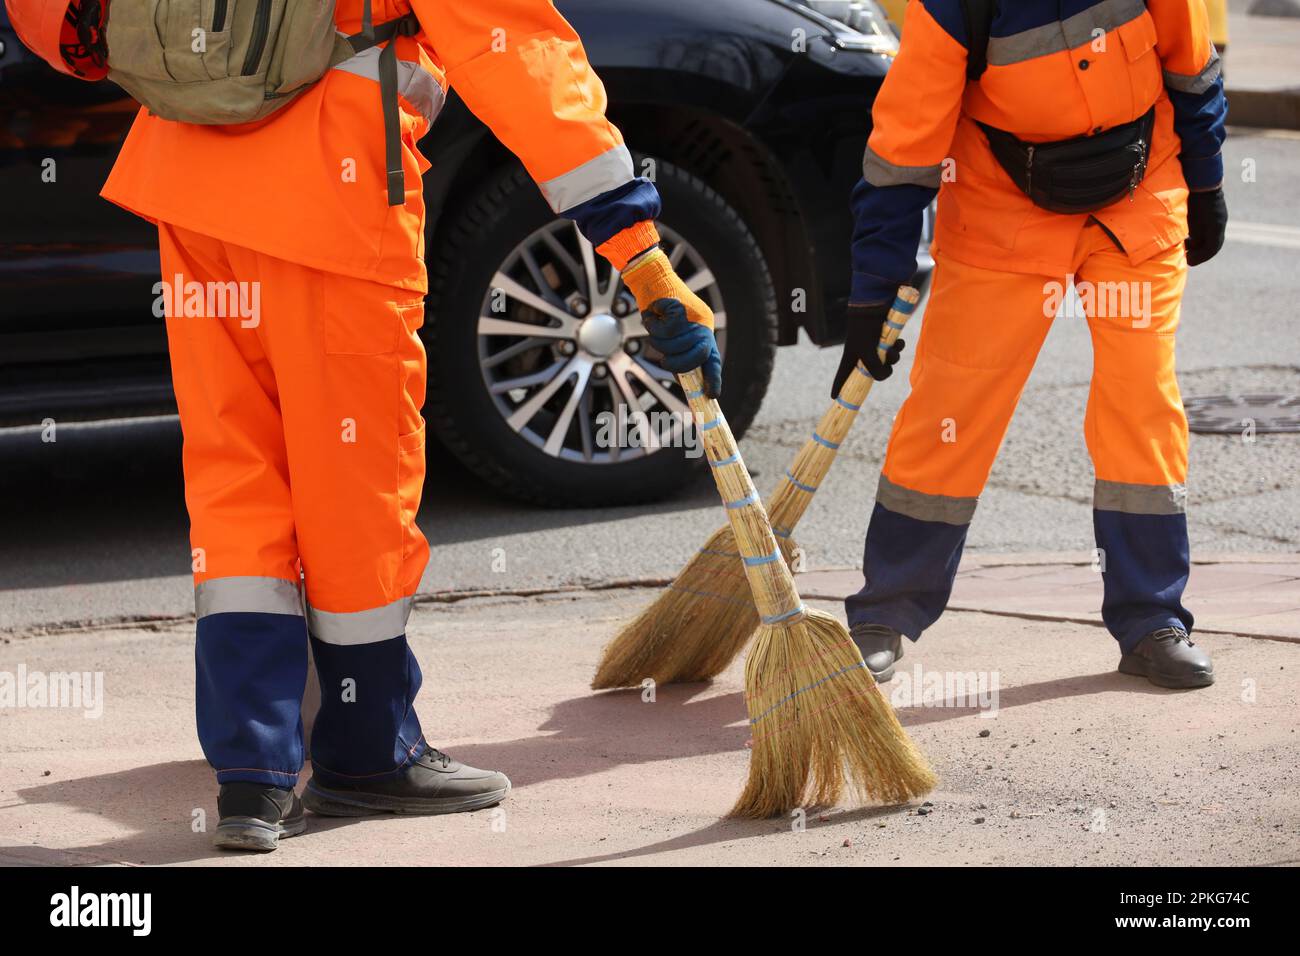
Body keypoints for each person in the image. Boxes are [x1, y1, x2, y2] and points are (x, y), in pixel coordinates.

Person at [8, 0, 719, 851]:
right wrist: (638, 251)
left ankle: (251, 775)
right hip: (331, 205)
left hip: (191, 197)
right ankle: (365, 752)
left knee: (235, 480)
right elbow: (522, 58)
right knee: (356, 492)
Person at [833, 0, 1227, 689]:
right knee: (952, 411)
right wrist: (872, 287)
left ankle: (1152, 622)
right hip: (999, 211)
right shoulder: (950, 7)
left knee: (1141, 398)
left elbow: (1192, 70)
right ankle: (884, 615)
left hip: (1136, 196)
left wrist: (1209, 183)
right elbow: (905, 147)